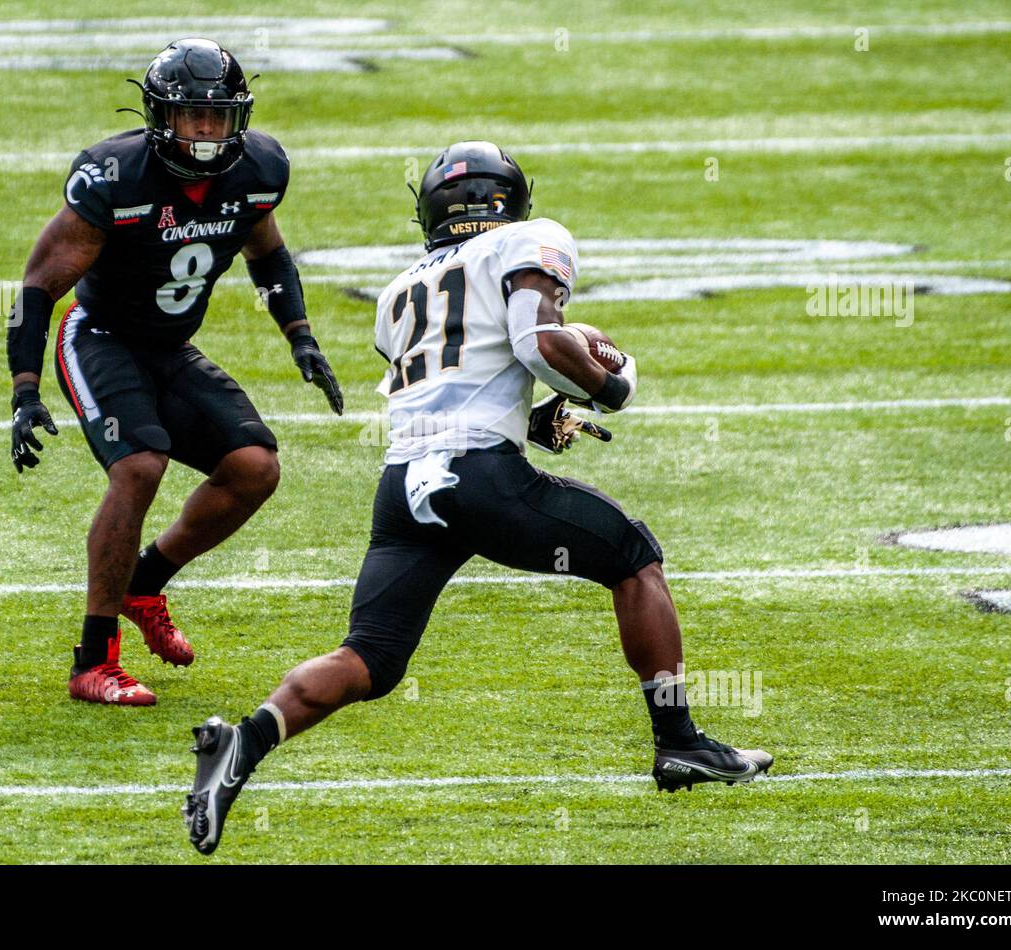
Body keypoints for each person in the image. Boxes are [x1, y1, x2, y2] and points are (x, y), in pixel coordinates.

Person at [182, 141, 771, 853]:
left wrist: (533, 420)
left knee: (369, 656)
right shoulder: (533, 241)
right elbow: (536, 342)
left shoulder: (399, 293)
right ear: (511, 198)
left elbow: (454, 376)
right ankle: (680, 743)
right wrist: (614, 387)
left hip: (405, 486)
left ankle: (240, 745)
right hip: (477, 475)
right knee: (634, 557)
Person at [6, 38, 343, 706]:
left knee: (255, 467)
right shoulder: (116, 177)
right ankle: (93, 660)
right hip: (100, 335)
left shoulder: (257, 170)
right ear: (164, 116)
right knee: (140, 467)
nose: (208, 130)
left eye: (219, 117)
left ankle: (144, 582)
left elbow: (268, 255)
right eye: (194, 116)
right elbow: (40, 284)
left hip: (168, 347)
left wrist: (300, 337)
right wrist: (24, 390)